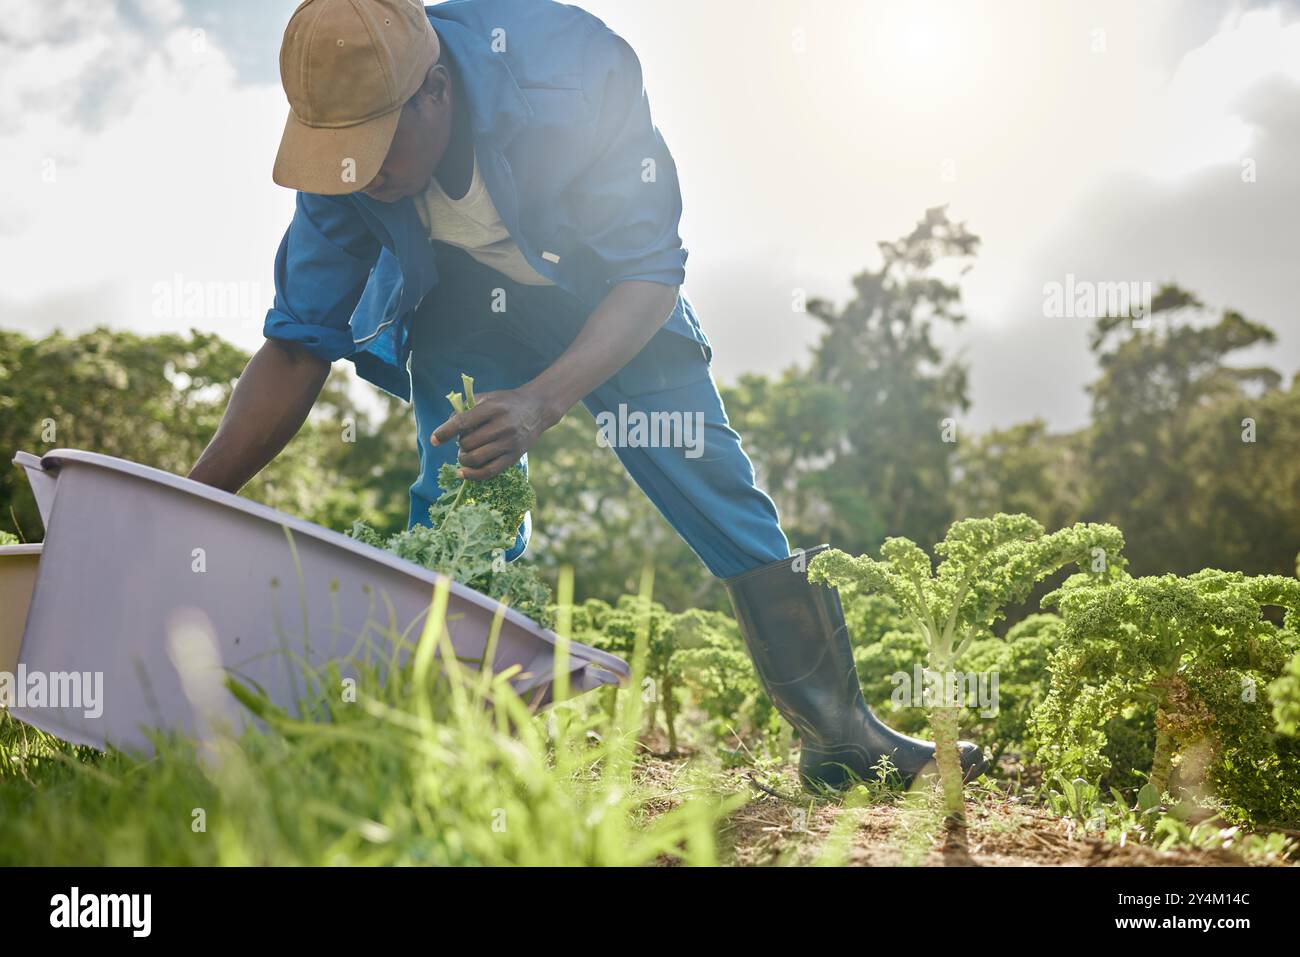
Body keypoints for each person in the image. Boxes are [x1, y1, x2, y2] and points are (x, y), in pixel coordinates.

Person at [189, 0, 986, 791]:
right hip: (459, 309)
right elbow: (297, 344)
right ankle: (470, 752)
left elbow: (649, 269)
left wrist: (543, 400)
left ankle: (839, 733)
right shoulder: (344, 158)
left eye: (374, 150)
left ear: (434, 89)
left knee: (709, 476)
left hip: (610, 296)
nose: (359, 176)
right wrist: (181, 502)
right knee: (462, 509)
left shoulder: (571, 71)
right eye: (341, 159)